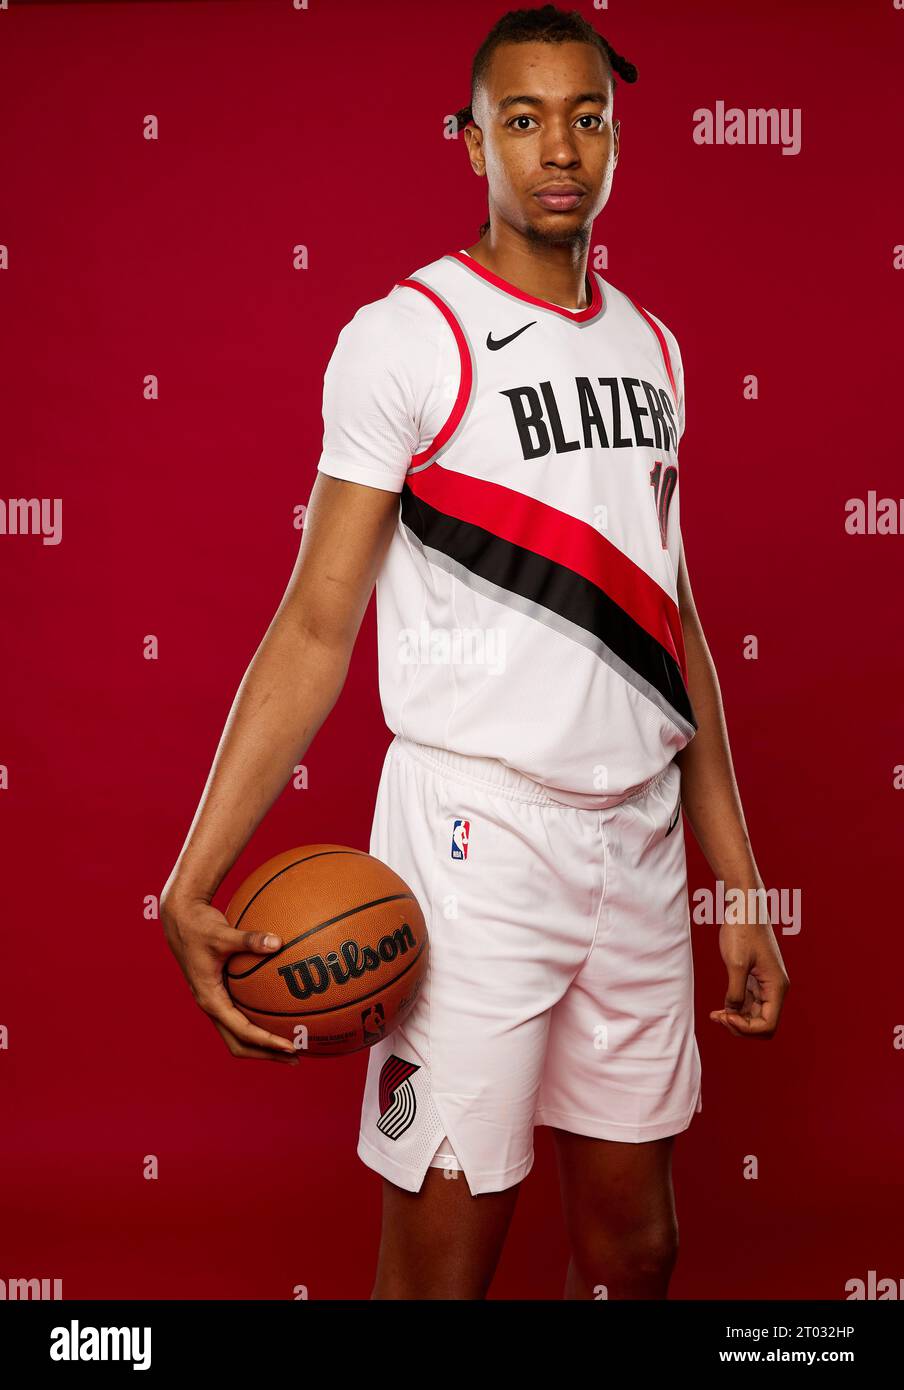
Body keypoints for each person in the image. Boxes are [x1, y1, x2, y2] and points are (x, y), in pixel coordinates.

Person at [161, 3, 790, 1301]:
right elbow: (317, 622)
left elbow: (671, 622)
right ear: (471, 142)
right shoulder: (406, 337)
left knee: (637, 1248)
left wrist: (736, 880)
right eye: (522, 118)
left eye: (586, 117)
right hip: (474, 844)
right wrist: (192, 875)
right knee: (448, 1262)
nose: (558, 147)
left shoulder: (655, 347)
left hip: (639, 836)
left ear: (615, 138)